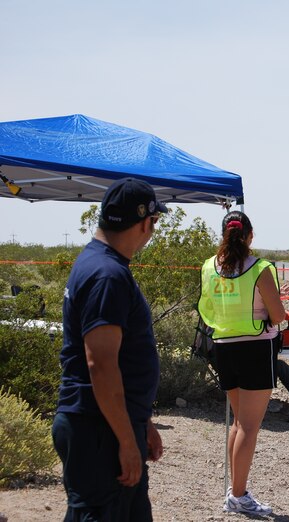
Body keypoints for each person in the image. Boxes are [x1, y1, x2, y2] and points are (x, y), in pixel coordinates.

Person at [52, 177, 167, 521]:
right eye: (155, 221)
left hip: (109, 425)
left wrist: (141, 424)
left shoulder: (101, 264)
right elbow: (100, 365)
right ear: (145, 223)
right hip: (98, 429)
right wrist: (126, 441)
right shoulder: (107, 275)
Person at [197, 211, 286, 517]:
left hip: (224, 347)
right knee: (248, 426)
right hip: (256, 348)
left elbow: (208, 309)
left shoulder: (209, 266)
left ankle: (235, 490)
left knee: (238, 423)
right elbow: (278, 315)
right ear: (250, 236)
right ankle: (238, 496)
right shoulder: (260, 268)